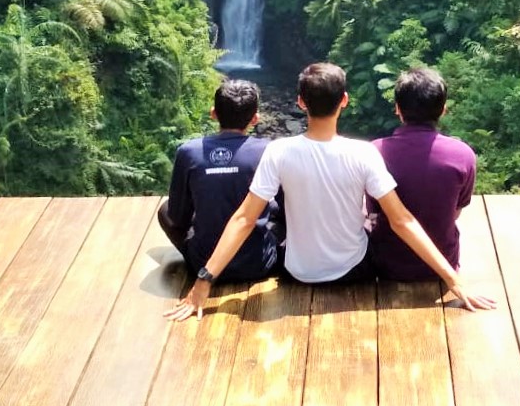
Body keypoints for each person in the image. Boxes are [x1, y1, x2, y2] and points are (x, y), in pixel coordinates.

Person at [165, 63, 495, 321]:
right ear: (344, 101)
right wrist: (454, 280)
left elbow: (243, 219)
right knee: (366, 218)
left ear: (300, 102)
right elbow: (402, 221)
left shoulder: (278, 152)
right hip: (355, 271)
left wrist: (204, 280)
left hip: (298, 273)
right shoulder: (364, 153)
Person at [158, 79, 280, 282]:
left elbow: (178, 218)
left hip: (202, 263)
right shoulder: (269, 150)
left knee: (165, 210)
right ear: (255, 119)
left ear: (213, 113)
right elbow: (285, 207)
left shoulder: (189, 151)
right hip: (258, 264)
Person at [368, 67, 476, 281]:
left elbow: (374, 211)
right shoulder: (463, 155)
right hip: (443, 263)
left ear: (397, 108)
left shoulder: (374, 152)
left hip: (388, 263)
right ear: (443, 109)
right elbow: (455, 212)